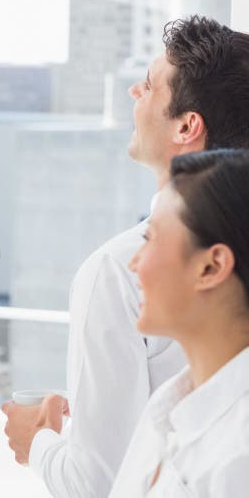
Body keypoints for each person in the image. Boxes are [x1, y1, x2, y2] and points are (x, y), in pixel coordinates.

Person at [2, 15, 249, 497]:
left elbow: (96, 484)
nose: (135, 94)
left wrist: (37, 443)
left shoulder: (115, 271)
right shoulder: (178, 410)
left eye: (150, 86)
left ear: (187, 125)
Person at [109, 149, 249, 496]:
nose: (135, 264)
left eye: (150, 238)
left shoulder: (239, 456)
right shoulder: (166, 408)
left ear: (212, 267)